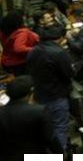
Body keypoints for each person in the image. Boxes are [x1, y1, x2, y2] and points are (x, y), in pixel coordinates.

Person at [26, 23, 73, 151]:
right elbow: (69, 73)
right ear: (60, 38)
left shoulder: (33, 51)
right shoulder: (59, 53)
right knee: (60, 127)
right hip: (56, 96)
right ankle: (60, 160)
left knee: (45, 128)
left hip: (39, 96)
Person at [1, 11, 38, 77]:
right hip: (19, 63)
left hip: (7, 62)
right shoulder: (22, 32)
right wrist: (36, 49)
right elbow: (19, 48)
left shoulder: (3, 31)